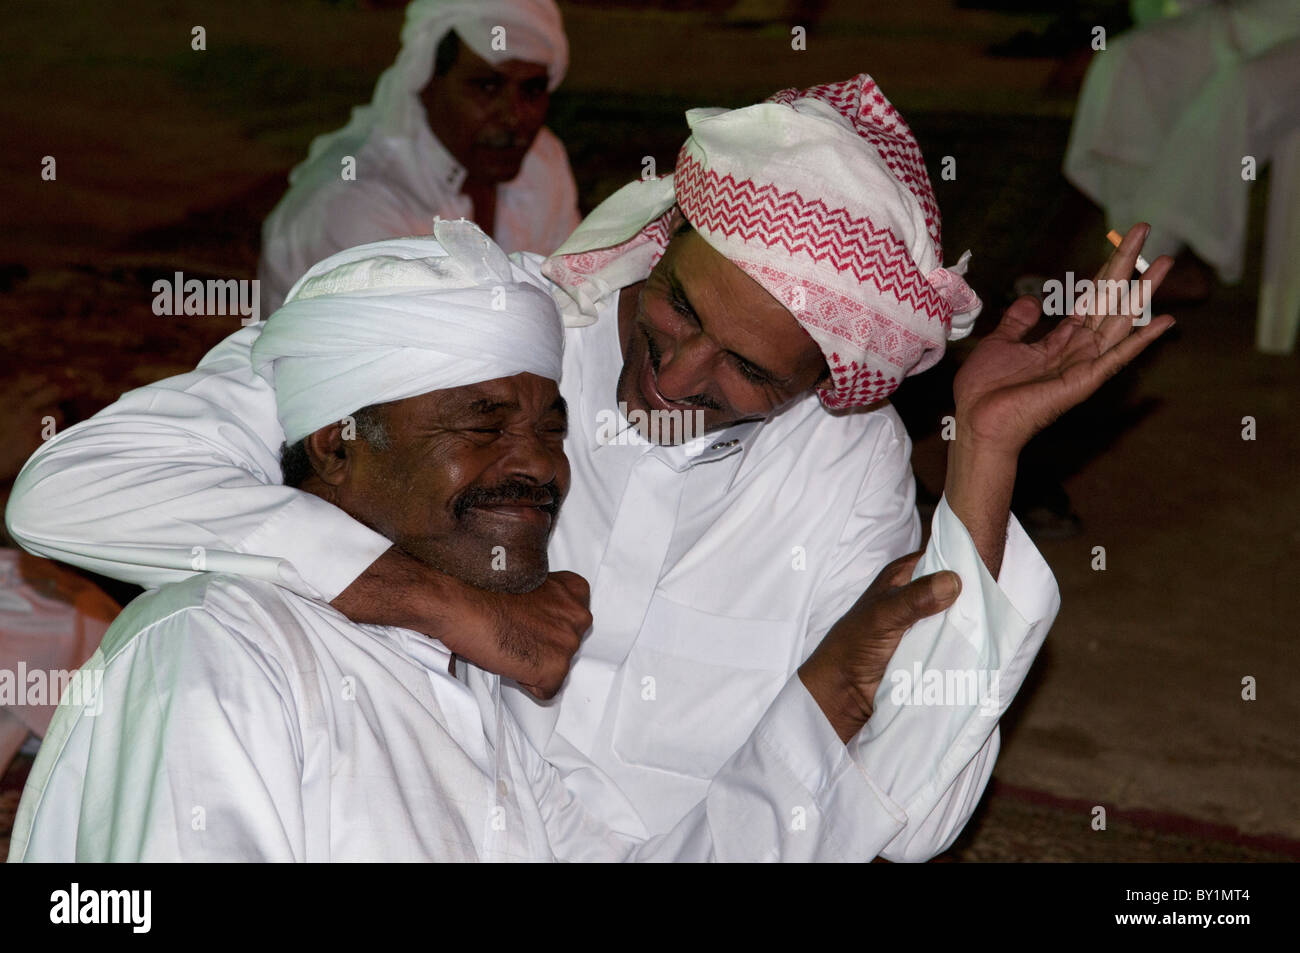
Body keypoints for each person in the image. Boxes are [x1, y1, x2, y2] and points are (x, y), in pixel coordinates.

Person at [6, 75, 1175, 861]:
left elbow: (899, 812)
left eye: (749, 376)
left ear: (831, 381)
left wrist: (982, 456)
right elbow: (72, 487)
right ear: (660, 238)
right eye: (674, 314)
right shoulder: (487, 333)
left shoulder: (839, 464)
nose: (675, 380)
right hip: (378, 803)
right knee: (208, 635)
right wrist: (442, 602)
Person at [9, 224, 963, 862]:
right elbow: (63, 490)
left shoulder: (481, 715)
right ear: (338, 438)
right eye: (481, 421)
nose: (539, 467)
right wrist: (456, 610)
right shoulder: (221, 655)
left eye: (552, 426)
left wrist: (829, 695)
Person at [258, 0, 581, 313]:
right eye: (486, 87)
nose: (514, 117)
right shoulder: (353, 204)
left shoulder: (543, 161)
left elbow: (576, 293)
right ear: (425, 80)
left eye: (532, 91)